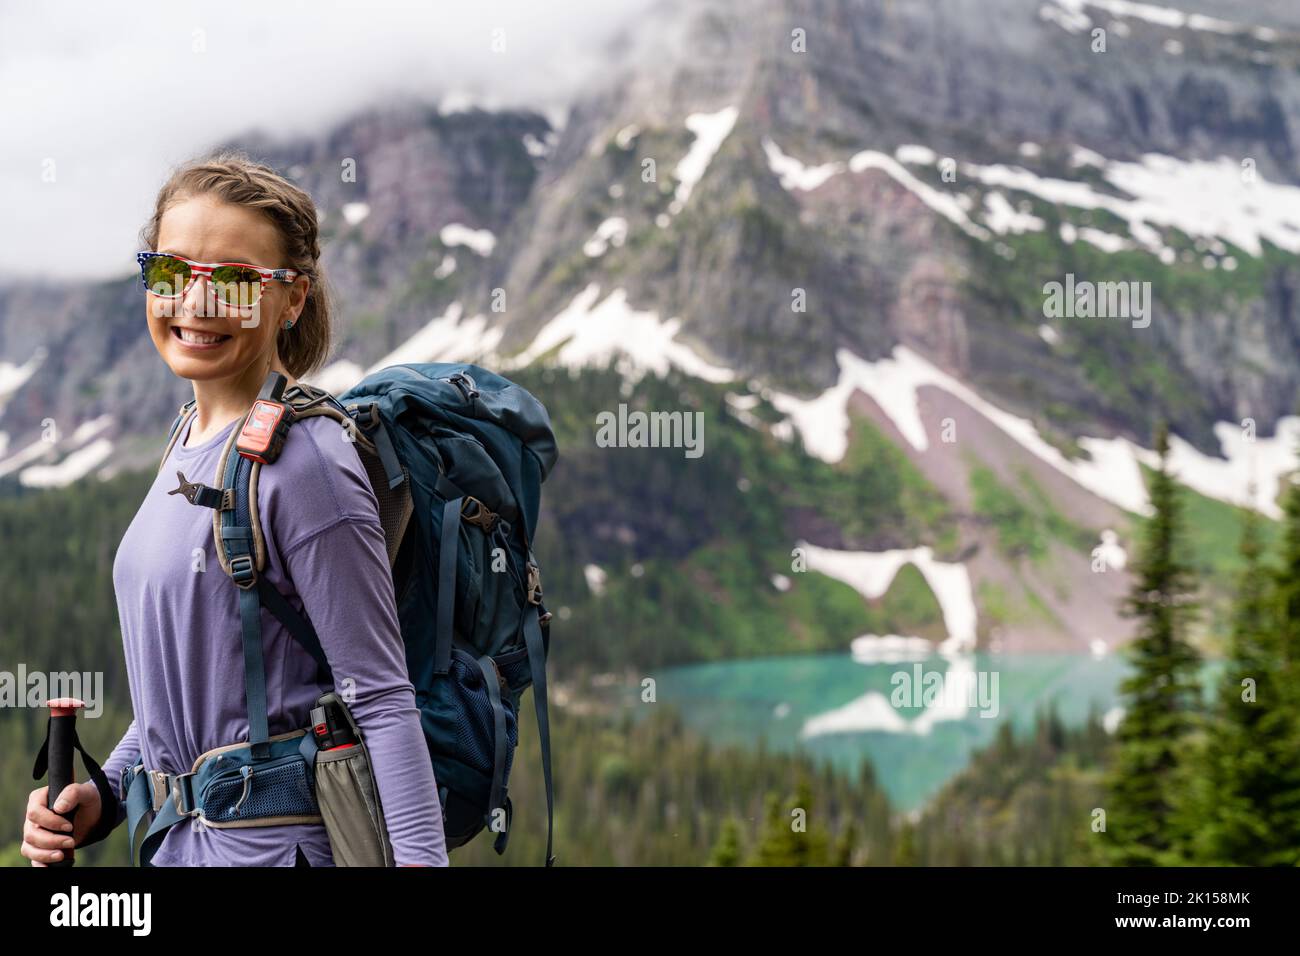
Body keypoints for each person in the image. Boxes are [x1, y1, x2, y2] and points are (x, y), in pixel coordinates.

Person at [21, 150, 448, 867]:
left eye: (236, 283)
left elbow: (379, 699)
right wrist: (108, 793)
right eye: (170, 272)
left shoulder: (307, 460)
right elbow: (185, 703)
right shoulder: (186, 440)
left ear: (293, 299)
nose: (195, 303)